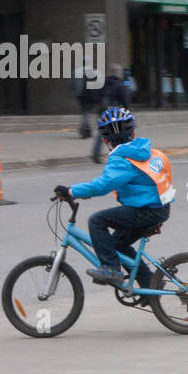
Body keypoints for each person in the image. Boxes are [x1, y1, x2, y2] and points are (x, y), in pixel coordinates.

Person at [56, 107, 175, 302]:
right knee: (117, 244)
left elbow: (104, 185)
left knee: (97, 221)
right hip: (158, 208)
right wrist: (87, 192)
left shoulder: (121, 157)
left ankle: (111, 269)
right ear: (133, 133)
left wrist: (71, 191)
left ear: (104, 140)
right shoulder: (142, 151)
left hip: (146, 211)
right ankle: (150, 282)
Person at [91, 63, 132, 163]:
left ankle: (95, 154)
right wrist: (127, 110)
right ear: (118, 73)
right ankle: (121, 155)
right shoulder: (120, 84)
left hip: (103, 111)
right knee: (121, 133)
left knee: (102, 132)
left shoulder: (104, 82)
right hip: (115, 112)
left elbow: (96, 95)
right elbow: (125, 100)